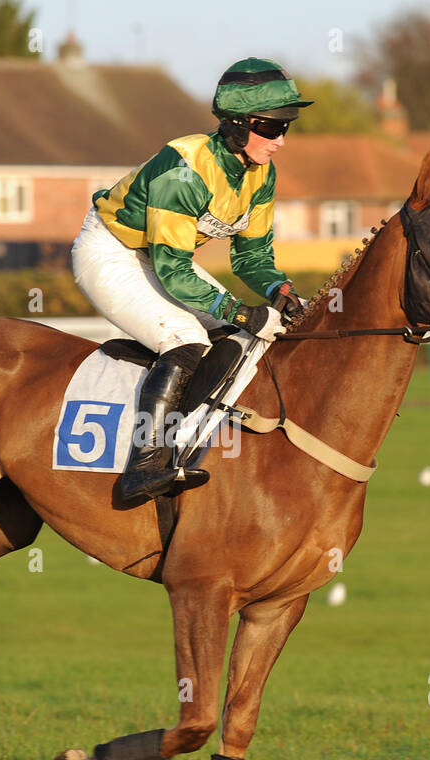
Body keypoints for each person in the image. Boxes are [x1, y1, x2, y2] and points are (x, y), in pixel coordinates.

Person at [71, 57, 313, 507]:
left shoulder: (261, 174)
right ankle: (142, 467)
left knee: (238, 338)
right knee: (186, 339)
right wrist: (240, 310)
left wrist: (278, 290)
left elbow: (252, 257)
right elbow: (173, 271)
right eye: (271, 128)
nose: (280, 141)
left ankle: (188, 438)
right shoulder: (184, 172)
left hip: (158, 258)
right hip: (108, 252)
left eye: (286, 128)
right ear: (238, 125)